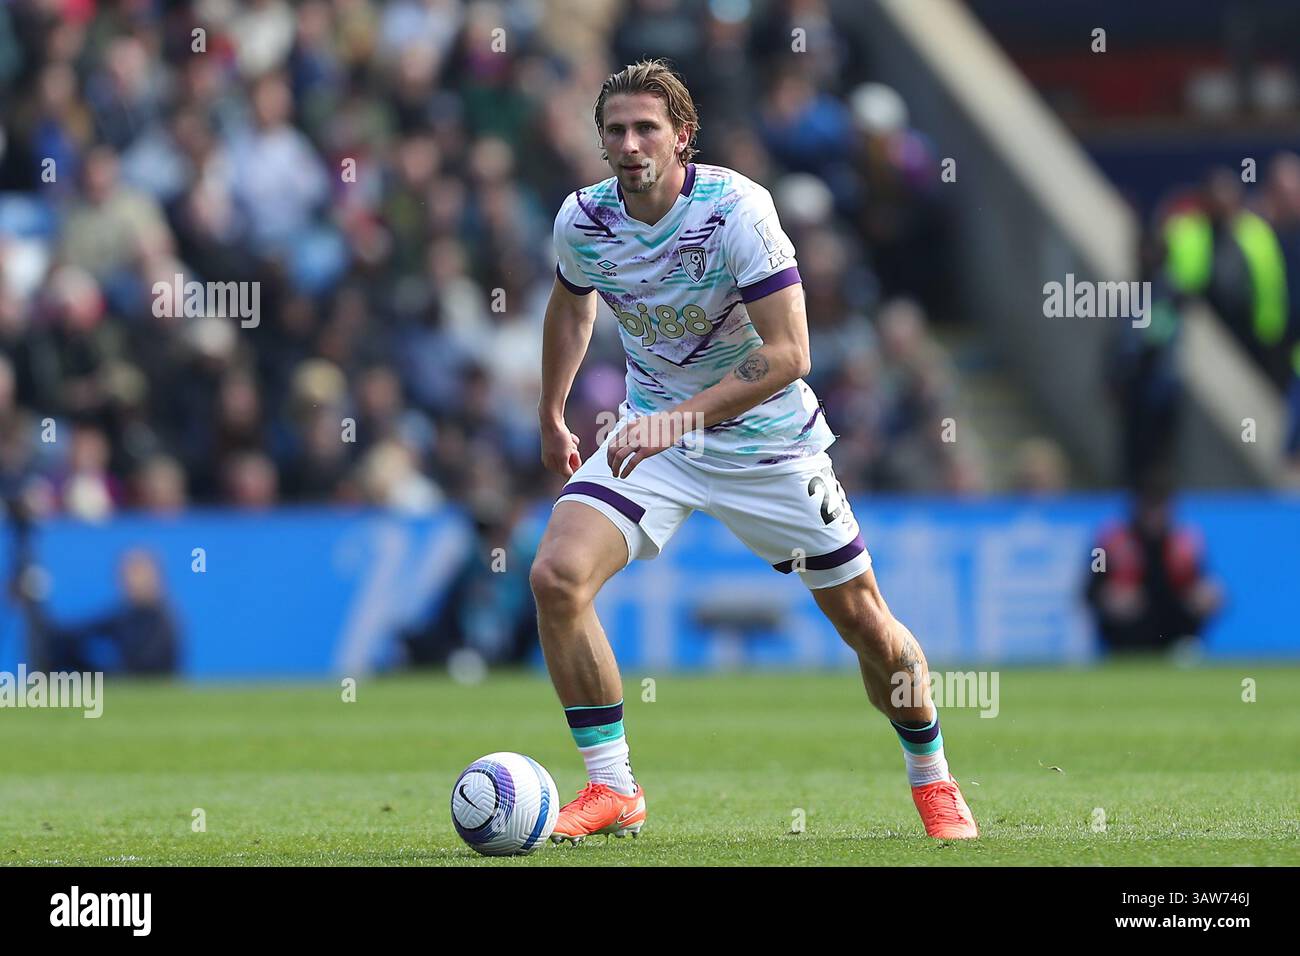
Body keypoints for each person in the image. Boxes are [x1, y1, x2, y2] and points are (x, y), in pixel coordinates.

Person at [530, 59, 977, 845]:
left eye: (647, 129)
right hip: (656, 439)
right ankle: (614, 788)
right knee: (556, 577)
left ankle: (932, 776)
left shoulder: (736, 207)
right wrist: (551, 409)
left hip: (769, 445)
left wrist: (675, 422)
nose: (630, 144)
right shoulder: (584, 219)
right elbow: (571, 306)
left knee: (868, 629)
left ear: (682, 139)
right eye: (616, 131)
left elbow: (789, 354)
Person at [1085, 472, 1221, 655]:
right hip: (1127, 634)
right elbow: (1090, 589)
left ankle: (1186, 647)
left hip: (1174, 625)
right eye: (1149, 506)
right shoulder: (1107, 543)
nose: (1155, 514)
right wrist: (1108, 596)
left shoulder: (1185, 542)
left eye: (1160, 506)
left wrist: (1206, 594)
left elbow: (1200, 583)